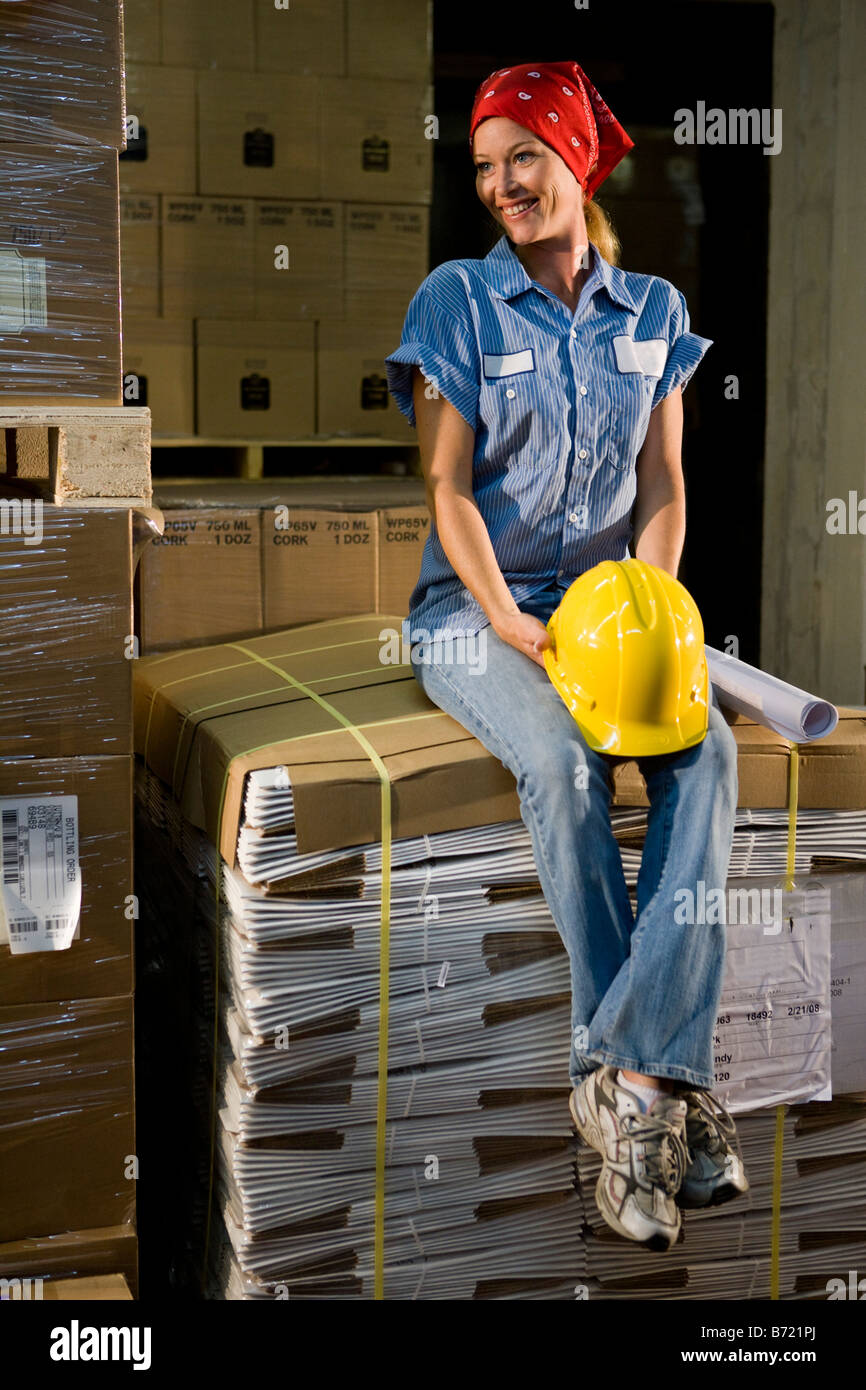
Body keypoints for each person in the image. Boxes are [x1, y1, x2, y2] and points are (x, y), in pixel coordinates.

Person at [385, 59, 747, 1251]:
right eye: (483, 167)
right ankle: (656, 1090)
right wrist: (498, 615)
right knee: (561, 761)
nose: (499, 185)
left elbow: (662, 482)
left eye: (521, 157)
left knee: (706, 755)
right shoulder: (460, 301)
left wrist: (647, 608)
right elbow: (445, 487)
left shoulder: (652, 316)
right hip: (470, 609)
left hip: (605, 607)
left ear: (573, 161)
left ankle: (622, 1080)